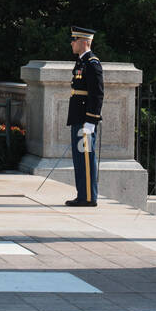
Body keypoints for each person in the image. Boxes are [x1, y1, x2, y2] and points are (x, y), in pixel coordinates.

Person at [64, 26, 103, 206]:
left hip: (85, 119)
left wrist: (91, 120)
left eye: (75, 39)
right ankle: (83, 194)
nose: (72, 42)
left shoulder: (92, 63)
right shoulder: (81, 62)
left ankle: (88, 196)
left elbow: (97, 94)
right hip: (78, 118)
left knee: (86, 157)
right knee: (80, 158)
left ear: (85, 42)